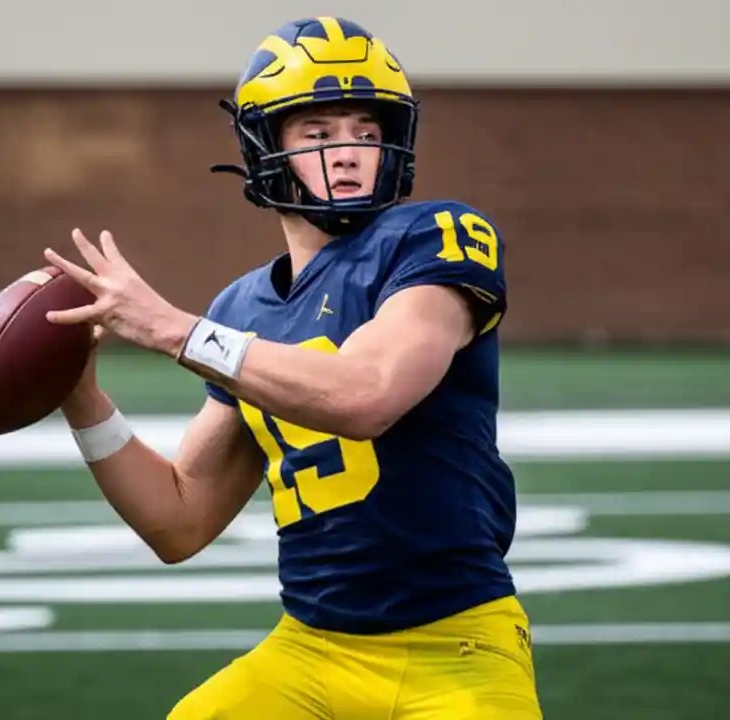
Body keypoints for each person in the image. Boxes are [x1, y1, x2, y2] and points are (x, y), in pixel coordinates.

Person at [43, 16, 542, 719]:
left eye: (365, 133)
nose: (348, 154)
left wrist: (175, 330)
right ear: (264, 146)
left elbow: (368, 396)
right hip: (311, 649)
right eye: (319, 134)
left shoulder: (434, 237)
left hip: (456, 647)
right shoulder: (243, 307)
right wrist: (80, 396)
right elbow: (179, 520)